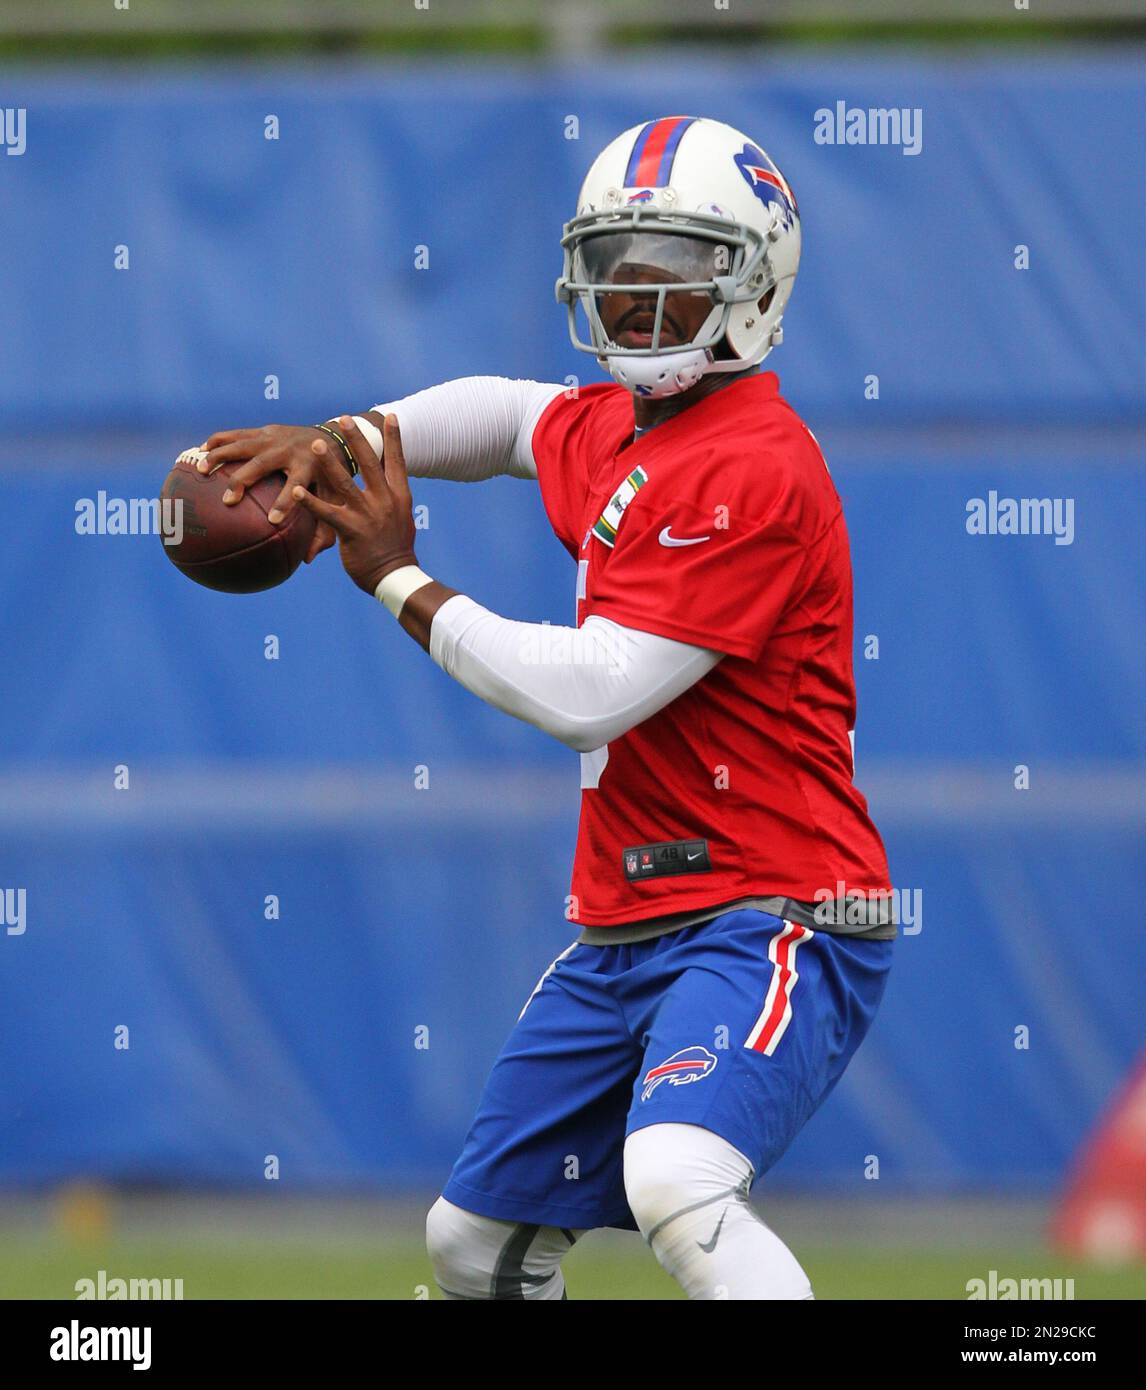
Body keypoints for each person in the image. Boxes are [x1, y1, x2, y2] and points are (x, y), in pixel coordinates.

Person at [195, 116, 895, 1300]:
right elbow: (510, 413)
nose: (639, 300)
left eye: (677, 269)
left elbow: (591, 693)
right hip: (630, 917)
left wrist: (399, 580)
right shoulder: (623, 426)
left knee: (677, 1177)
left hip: (777, 907)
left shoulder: (753, 465)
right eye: (620, 267)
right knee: (473, 1246)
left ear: (754, 279)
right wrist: (347, 438)